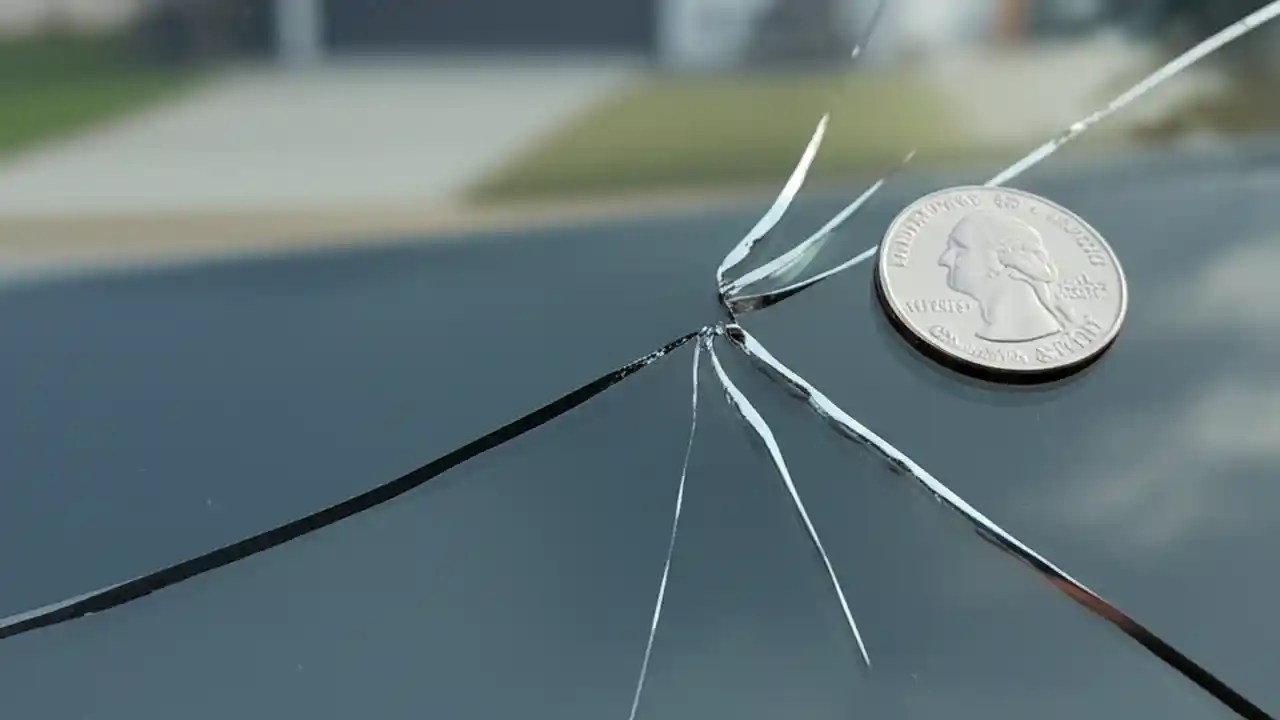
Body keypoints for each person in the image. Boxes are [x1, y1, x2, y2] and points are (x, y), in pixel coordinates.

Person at [937, 211, 1074, 342]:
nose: (944, 259)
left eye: (960, 248)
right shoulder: (997, 329)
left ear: (1000, 259)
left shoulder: (1027, 329)